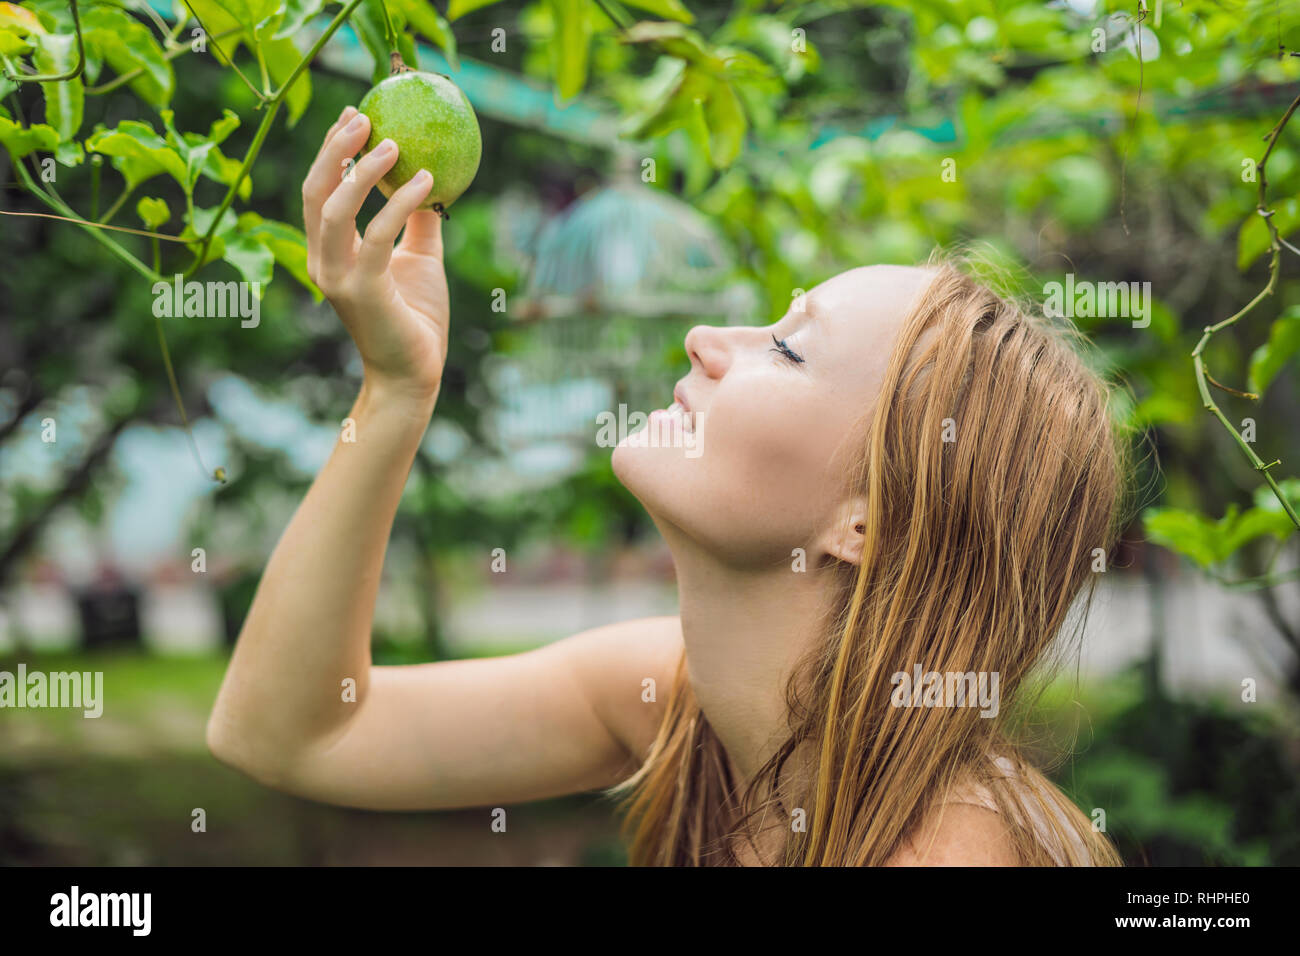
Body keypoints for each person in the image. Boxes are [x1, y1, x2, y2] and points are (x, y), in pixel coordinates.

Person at [206, 105, 1131, 866]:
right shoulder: (676, 700)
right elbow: (291, 735)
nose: (705, 341)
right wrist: (398, 392)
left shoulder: (949, 854)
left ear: (872, 519)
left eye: (788, 347)